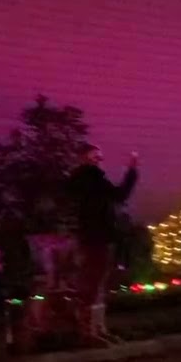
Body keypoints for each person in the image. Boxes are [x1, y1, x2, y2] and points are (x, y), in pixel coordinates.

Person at [66, 144, 138, 346]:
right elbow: (119, 195)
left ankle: (97, 330)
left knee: (96, 286)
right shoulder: (90, 178)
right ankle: (90, 333)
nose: (100, 159)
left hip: (94, 238)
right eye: (95, 155)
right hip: (96, 238)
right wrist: (131, 171)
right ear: (83, 157)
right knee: (92, 286)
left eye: (100, 155)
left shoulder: (84, 179)